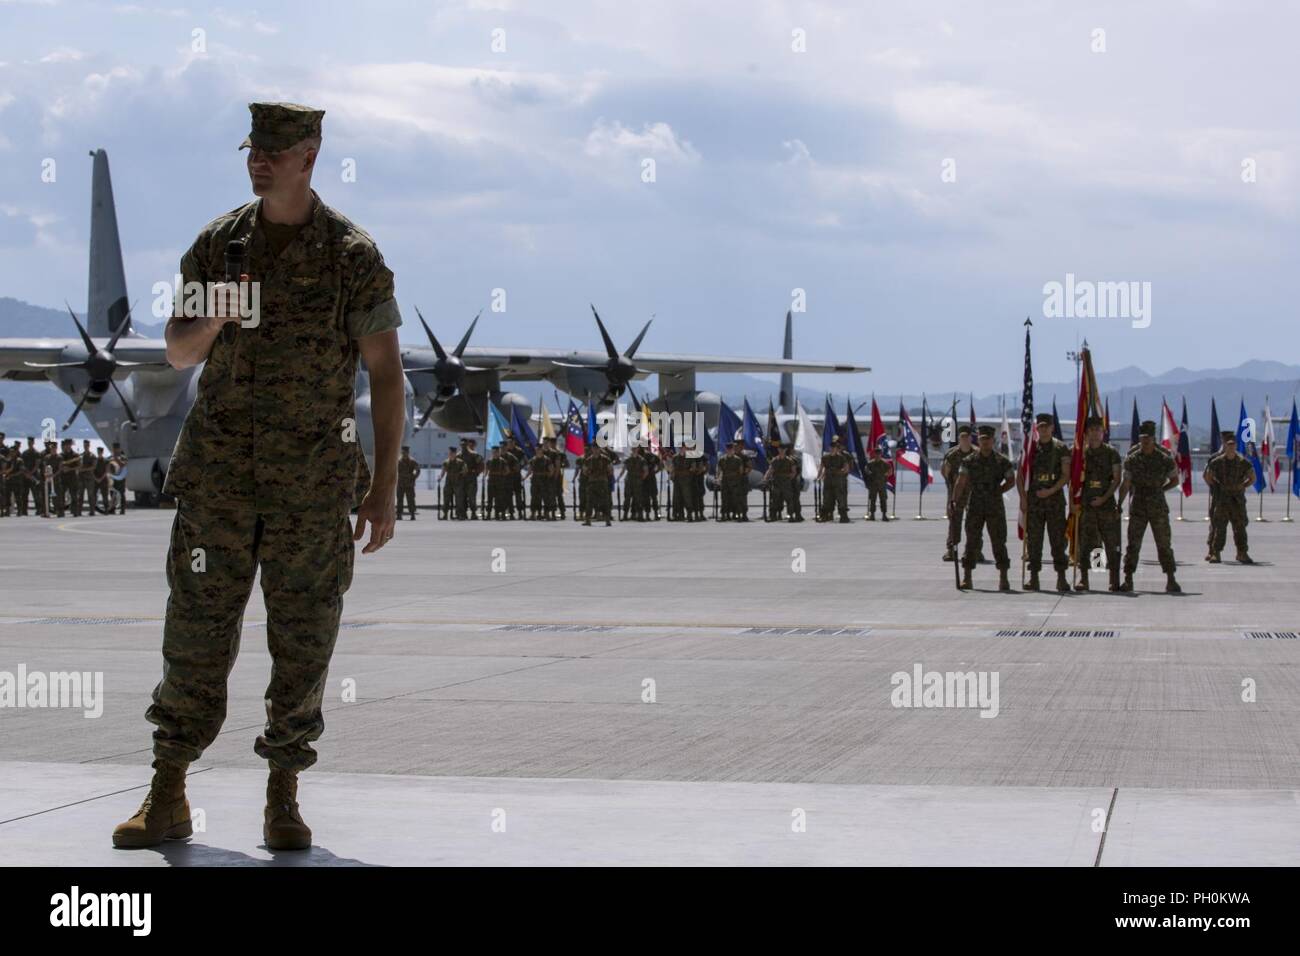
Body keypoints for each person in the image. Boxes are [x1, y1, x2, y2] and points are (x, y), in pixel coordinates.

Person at [114, 102, 404, 853]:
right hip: (218, 482)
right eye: (254, 149)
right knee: (195, 635)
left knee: (305, 641)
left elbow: (387, 372)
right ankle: (168, 789)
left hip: (311, 487)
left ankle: (283, 794)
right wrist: (210, 319)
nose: (260, 161)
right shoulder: (218, 244)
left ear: (309, 155)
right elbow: (177, 353)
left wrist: (382, 487)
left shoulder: (352, 254)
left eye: (277, 150)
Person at [1117, 420, 1180, 593]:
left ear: (1154, 438)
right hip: (1138, 505)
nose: (1145, 441)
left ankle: (1171, 579)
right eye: (1143, 438)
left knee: (1164, 544)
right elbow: (1126, 483)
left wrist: (1161, 489)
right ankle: (1128, 579)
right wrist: (1119, 503)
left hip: (1158, 506)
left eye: (1149, 438)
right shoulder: (1132, 459)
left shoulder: (1164, 459)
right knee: (1133, 544)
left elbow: (1175, 480)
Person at [952, 425, 1015, 591]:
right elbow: (960, 482)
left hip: (995, 505)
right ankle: (967, 577)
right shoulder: (969, 461)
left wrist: (998, 490)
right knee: (971, 541)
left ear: (993, 441)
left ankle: (1003, 578)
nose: (985, 442)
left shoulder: (1002, 461)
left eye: (988, 439)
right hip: (975, 504)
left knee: (999, 541)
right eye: (982, 439)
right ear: (978, 440)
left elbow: (1011, 480)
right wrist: (953, 502)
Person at [1020, 412, 1071, 592]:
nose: (1043, 429)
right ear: (1037, 428)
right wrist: (1023, 499)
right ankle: (1033, 577)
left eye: (1046, 426)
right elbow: (1021, 475)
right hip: (1034, 503)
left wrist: (1050, 490)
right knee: (1034, 541)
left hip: (1054, 501)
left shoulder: (1061, 448)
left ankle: (1062, 578)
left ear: (1052, 428)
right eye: (1040, 426)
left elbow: (1066, 476)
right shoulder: (1030, 449)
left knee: (1058, 541)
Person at [1073, 414, 1123, 592]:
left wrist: (1104, 498)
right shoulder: (1080, 454)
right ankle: (1084, 579)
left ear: (1103, 432)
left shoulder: (1111, 453)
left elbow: (1117, 479)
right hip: (1086, 506)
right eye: (1091, 430)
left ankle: (1113, 580)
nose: (1095, 433)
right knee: (1085, 544)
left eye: (1098, 430)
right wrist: (1075, 501)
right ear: (1086, 433)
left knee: (1111, 543)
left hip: (1106, 506)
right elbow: (1074, 480)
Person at [1203, 432, 1255, 564]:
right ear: (1225, 445)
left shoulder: (1243, 462)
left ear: (1236, 445)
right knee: (1219, 527)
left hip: (1237, 500)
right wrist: (1216, 486)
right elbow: (1207, 476)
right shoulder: (1217, 461)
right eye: (1228, 445)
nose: (1231, 447)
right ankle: (1216, 552)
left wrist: (1242, 486)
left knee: (1240, 527)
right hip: (1222, 500)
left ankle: (1242, 553)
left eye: (1233, 445)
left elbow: (1252, 478)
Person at [817, 435, 852, 523]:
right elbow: (821, 468)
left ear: (837, 448)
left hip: (838, 481)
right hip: (828, 481)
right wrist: (818, 477)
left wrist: (841, 472)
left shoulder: (842, 457)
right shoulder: (825, 457)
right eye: (831, 447)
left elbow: (847, 468)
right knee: (827, 498)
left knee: (840, 498)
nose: (833, 448)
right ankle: (825, 515)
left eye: (835, 447)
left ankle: (843, 516)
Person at [864, 445, 892, 521]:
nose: (877, 455)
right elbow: (866, 470)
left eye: (879, 453)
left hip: (882, 484)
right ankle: (872, 515)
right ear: (874, 454)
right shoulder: (870, 463)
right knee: (872, 500)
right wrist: (870, 473)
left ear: (881, 454)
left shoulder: (885, 463)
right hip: (873, 485)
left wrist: (886, 474)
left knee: (883, 500)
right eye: (876, 453)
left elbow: (890, 471)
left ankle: (884, 515)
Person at [396, 445, 420, 520]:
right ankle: (399, 515)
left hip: (409, 484)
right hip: (400, 484)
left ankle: (412, 514)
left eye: (406, 453)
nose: (404, 454)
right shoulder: (398, 461)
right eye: (403, 453)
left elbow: (418, 470)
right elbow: (394, 471)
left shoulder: (412, 461)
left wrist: (414, 477)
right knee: (400, 500)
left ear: (408, 453)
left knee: (411, 500)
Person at [109, 443, 128, 513]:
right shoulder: (111, 457)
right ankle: (112, 508)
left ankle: (122, 509)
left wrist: (116, 459)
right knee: (112, 492)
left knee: (121, 493)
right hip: (113, 478)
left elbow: (123, 465)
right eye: (113, 448)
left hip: (121, 478)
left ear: (119, 449)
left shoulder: (123, 457)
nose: (114, 450)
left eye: (116, 448)